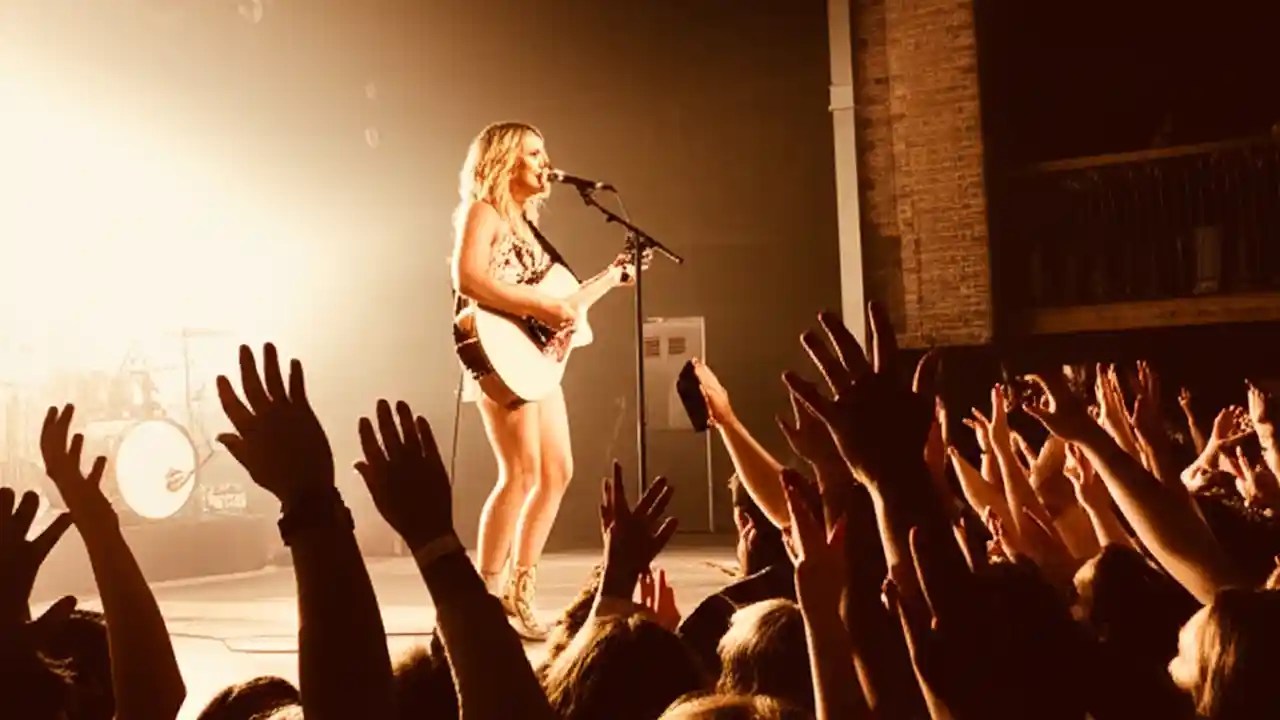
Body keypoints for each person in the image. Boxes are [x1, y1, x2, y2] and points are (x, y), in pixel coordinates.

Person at [450, 121, 631, 639]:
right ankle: (483, 601)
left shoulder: (529, 228)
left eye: (543, 151)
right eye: (532, 152)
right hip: (499, 355)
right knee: (521, 473)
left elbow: (561, 307)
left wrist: (611, 278)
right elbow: (468, 279)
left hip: (533, 358)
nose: (545, 162)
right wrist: (537, 304)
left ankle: (520, 591)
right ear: (503, 160)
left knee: (557, 471)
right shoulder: (483, 212)